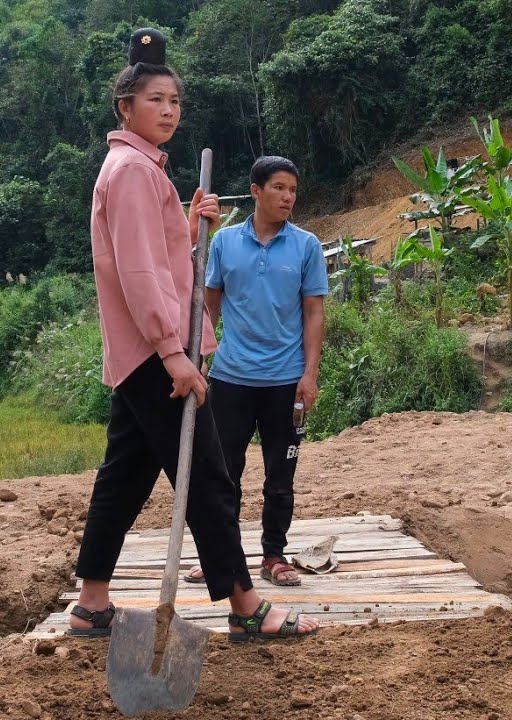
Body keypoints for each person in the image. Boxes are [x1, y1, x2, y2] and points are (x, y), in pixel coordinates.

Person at [67, 28, 319, 641]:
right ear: (125, 108)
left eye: (175, 102)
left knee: (125, 474)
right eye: (156, 101)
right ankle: (245, 606)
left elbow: (157, 254)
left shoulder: (141, 170)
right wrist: (175, 353)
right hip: (156, 354)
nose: (169, 111)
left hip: (141, 354)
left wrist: (186, 222)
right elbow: (138, 274)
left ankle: (91, 602)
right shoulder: (129, 170)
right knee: (208, 476)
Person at [185, 156, 327, 587]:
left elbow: (314, 313)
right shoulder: (224, 242)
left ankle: (274, 555)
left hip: (286, 381)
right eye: (279, 188)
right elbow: (207, 304)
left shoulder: (306, 246)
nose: (288, 197)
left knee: (281, 476)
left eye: (293, 191)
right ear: (255, 191)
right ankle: (221, 559)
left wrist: (310, 374)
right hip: (230, 379)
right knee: (223, 475)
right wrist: (200, 359)